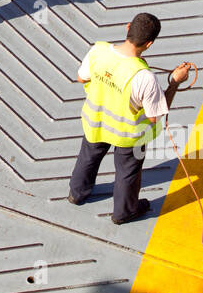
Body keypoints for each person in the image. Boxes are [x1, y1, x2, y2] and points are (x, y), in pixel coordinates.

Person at [67, 12, 193, 223]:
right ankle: (123, 213)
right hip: (128, 136)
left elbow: (82, 78)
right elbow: (155, 116)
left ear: (127, 28)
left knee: (87, 159)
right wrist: (174, 83)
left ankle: (77, 194)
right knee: (127, 174)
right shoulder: (145, 77)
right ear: (149, 44)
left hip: (95, 123)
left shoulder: (98, 51)